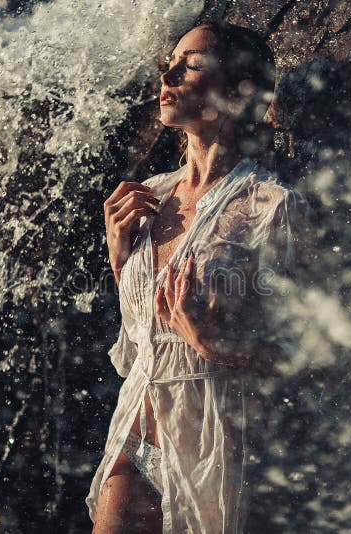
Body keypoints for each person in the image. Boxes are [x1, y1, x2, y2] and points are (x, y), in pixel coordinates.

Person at [88, 21, 312, 533]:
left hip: (222, 450)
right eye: (169, 61)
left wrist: (218, 346)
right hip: (136, 437)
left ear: (238, 92)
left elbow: (316, 356)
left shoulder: (270, 207)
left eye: (190, 64)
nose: (168, 72)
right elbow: (140, 344)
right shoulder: (147, 196)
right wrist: (121, 262)